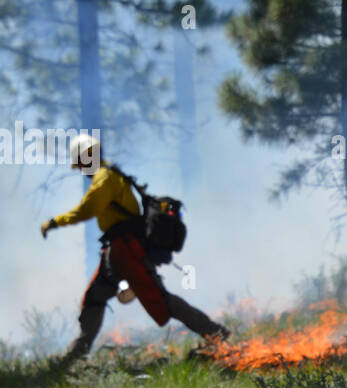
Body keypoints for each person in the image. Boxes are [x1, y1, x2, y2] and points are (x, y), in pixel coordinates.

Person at [42, 135, 229, 359]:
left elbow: (86, 210)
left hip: (126, 251)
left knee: (161, 301)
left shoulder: (105, 178)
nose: (81, 168)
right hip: (117, 252)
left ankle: (215, 333)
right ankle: (74, 355)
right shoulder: (110, 174)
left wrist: (55, 222)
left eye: (81, 162)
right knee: (95, 298)